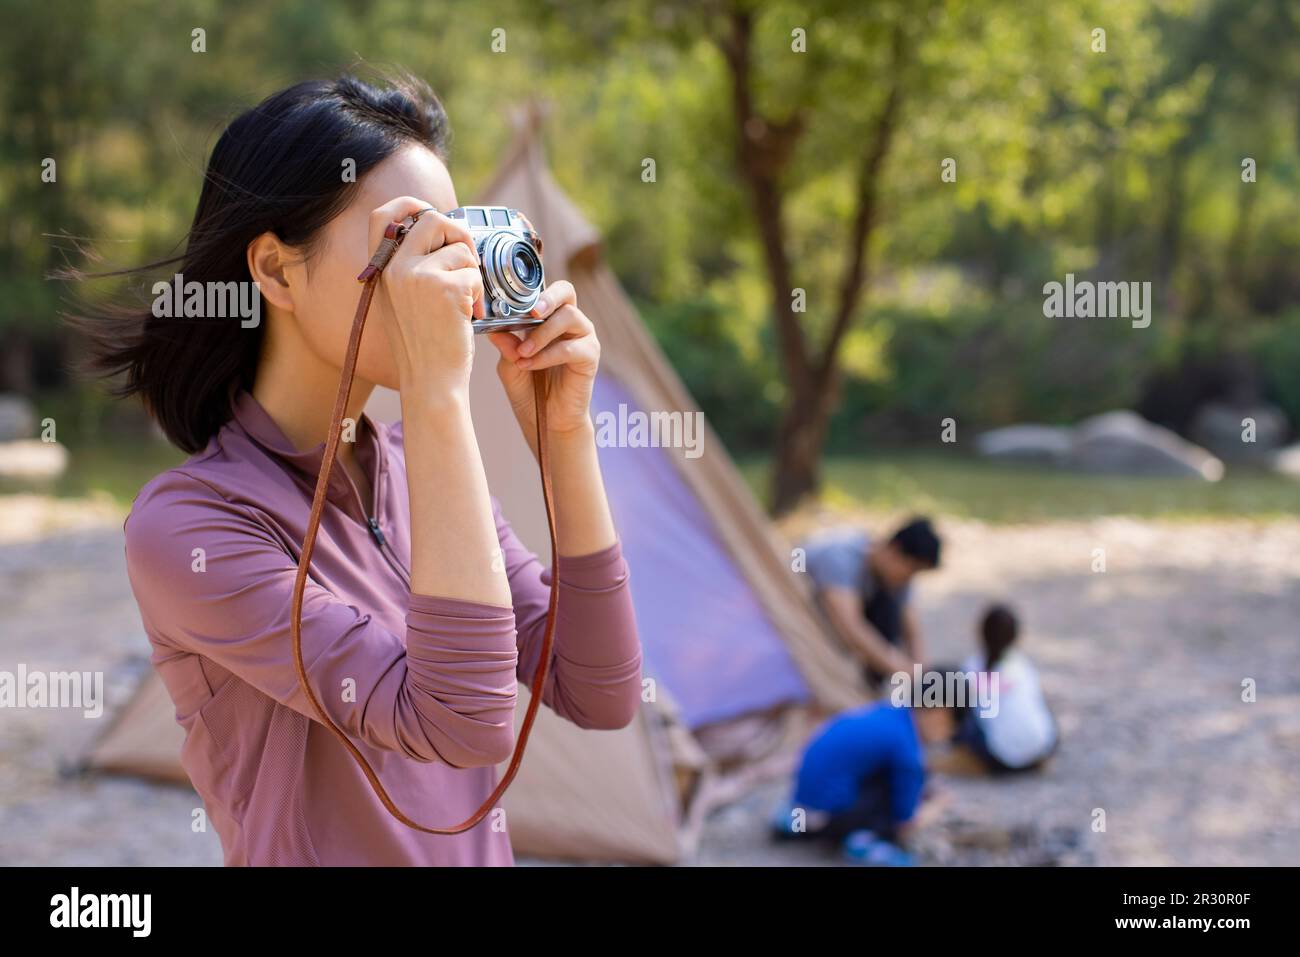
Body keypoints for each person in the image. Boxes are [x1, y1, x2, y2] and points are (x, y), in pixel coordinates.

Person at [70, 73, 643, 865]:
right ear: (274, 271)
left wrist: (566, 435)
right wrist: (441, 395)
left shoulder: (413, 472)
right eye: (405, 241)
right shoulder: (189, 528)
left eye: (449, 239)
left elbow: (600, 689)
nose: (443, 275)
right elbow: (459, 720)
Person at [771, 695, 955, 866]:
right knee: (899, 790)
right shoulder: (907, 748)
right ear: (940, 712)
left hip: (804, 800)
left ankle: (795, 822)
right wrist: (938, 805)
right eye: (952, 724)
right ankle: (863, 839)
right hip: (830, 816)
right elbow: (905, 823)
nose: (949, 733)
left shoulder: (888, 714)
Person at [800, 518, 942, 687]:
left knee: (889, 614)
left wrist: (923, 674)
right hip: (801, 616)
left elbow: (911, 629)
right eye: (911, 570)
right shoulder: (840, 557)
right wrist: (902, 669)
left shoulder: (894, 575)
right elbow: (850, 628)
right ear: (894, 551)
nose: (910, 579)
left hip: (840, 613)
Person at [955, 604, 1058, 773]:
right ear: (1016, 636)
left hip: (1000, 756)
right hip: (1041, 746)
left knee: (963, 711)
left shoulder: (970, 667)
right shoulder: (1023, 665)